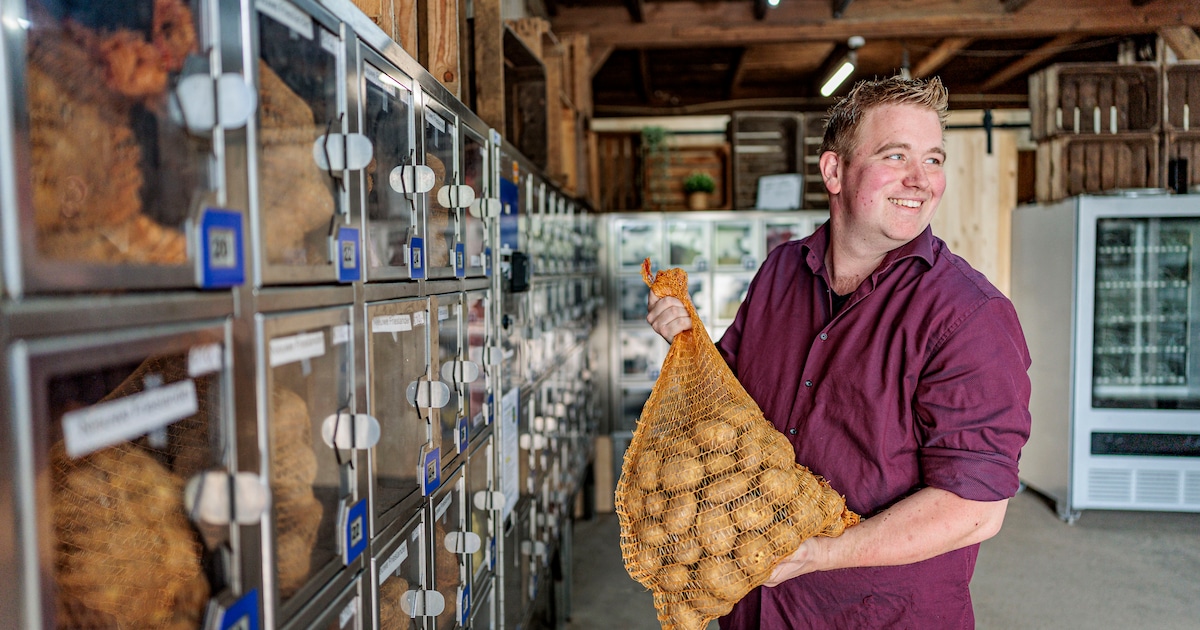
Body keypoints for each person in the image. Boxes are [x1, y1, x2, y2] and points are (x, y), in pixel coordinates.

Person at [646, 76, 1032, 628]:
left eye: (934, 159)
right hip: (753, 604)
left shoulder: (970, 317)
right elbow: (732, 400)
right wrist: (688, 346)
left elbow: (973, 510)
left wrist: (818, 553)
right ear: (834, 171)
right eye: (895, 155)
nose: (920, 180)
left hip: (873, 614)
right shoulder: (782, 270)